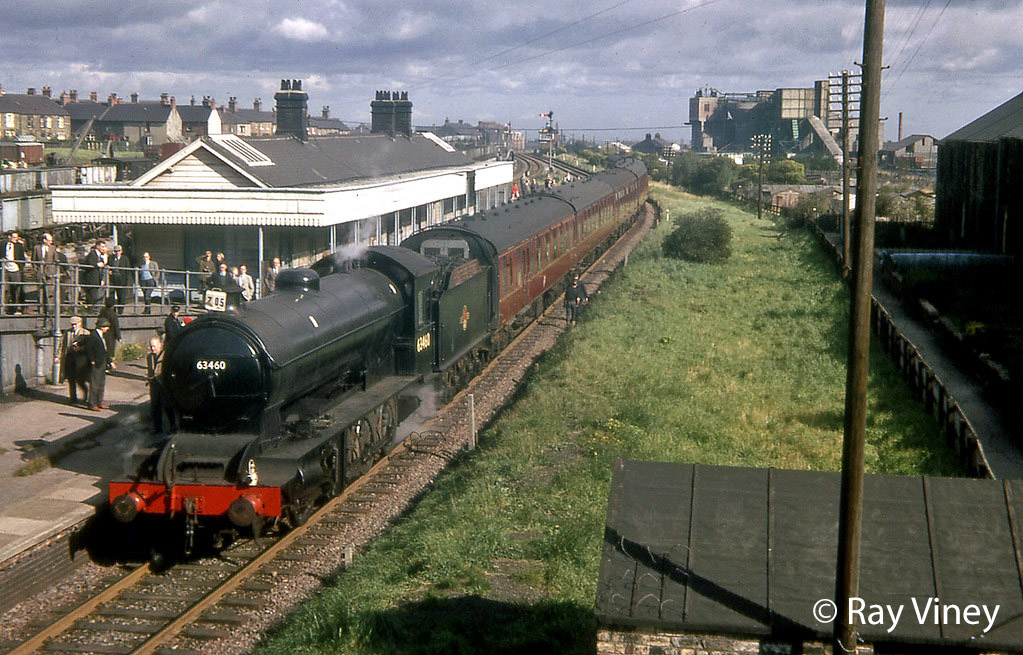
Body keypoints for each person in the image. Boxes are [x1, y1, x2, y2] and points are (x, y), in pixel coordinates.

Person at [57, 315, 90, 405]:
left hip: (80, 359)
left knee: (80, 380)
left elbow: (88, 346)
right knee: (70, 379)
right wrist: (57, 356)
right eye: (72, 324)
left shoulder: (85, 333)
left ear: (80, 323)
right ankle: (73, 398)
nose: (73, 326)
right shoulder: (68, 333)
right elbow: (62, 345)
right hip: (70, 358)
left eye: (75, 324)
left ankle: (85, 395)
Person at [146, 336, 176, 434]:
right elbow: (150, 369)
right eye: (151, 346)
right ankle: (157, 428)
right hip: (154, 384)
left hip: (164, 384)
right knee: (155, 406)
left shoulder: (166, 356)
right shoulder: (150, 356)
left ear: (160, 345)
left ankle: (173, 426)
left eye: (154, 346)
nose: (152, 349)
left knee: (167, 405)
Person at [84, 317, 112, 411]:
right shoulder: (93, 336)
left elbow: (105, 350)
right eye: (106, 327)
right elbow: (88, 349)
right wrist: (92, 360)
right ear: (101, 327)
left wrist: (109, 361)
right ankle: (92, 403)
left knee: (101, 383)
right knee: (95, 384)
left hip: (102, 362)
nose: (107, 329)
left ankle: (100, 402)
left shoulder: (102, 336)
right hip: (96, 363)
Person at [33, 232, 58, 313]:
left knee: (50, 291)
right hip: (40, 272)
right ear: (44, 240)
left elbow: (56, 260)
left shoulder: (53, 248)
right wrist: (36, 270)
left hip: (50, 272)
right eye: (49, 240)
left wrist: (53, 271)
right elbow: (33, 260)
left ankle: (50, 309)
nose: (51, 242)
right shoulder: (36, 248)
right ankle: (41, 309)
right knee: (40, 291)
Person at [3, 230, 26, 314]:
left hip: (15, 269)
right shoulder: (3, 244)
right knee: (5, 289)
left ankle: (16, 308)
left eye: (17, 237)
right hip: (5, 269)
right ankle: (4, 308)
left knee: (16, 289)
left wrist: (20, 267)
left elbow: (22, 258)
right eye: (14, 237)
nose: (16, 239)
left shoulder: (19, 246)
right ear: (9, 237)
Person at [81, 240, 108, 307]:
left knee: (96, 298)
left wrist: (102, 279)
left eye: (104, 246)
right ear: (98, 247)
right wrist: (97, 265)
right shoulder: (92, 254)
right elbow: (87, 264)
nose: (104, 248)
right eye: (102, 246)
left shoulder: (100, 256)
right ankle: (91, 310)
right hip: (91, 281)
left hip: (97, 281)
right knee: (92, 298)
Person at [98, 297, 121, 371]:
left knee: (102, 350)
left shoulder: (102, 311)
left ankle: (103, 365)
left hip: (102, 333)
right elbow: (116, 325)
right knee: (110, 351)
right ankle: (108, 365)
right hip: (111, 335)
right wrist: (118, 336)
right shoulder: (112, 314)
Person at [107, 244, 130, 312]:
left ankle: (120, 310)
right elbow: (108, 265)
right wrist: (109, 270)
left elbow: (127, 270)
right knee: (111, 294)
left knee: (121, 296)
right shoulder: (111, 258)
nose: (117, 252)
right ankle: (113, 309)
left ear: (121, 251)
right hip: (113, 279)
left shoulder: (125, 259)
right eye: (116, 251)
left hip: (121, 279)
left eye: (119, 251)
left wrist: (125, 280)